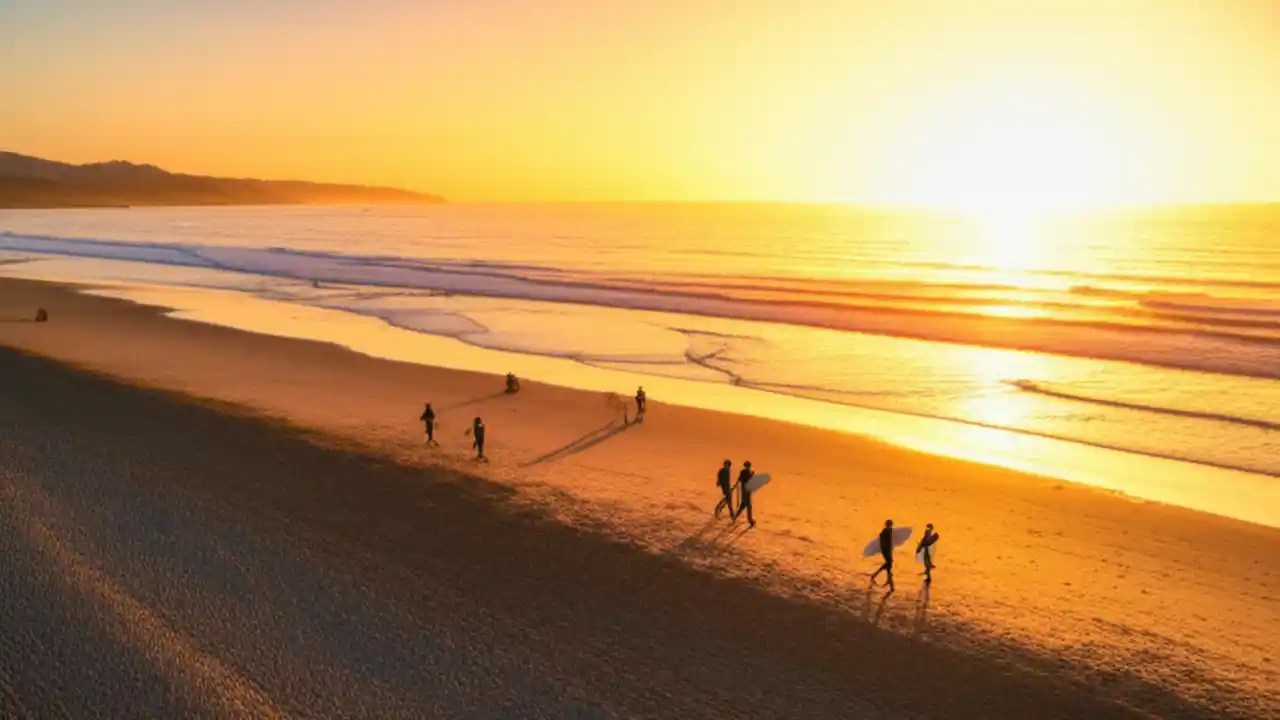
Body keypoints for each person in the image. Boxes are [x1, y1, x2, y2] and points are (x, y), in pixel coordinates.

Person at [870, 519, 896, 591]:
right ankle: (890, 584)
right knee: (888, 564)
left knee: (888, 565)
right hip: (885, 551)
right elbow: (883, 544)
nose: (890, 526)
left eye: (890, 525)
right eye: (889, 525)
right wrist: (887, 551)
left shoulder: (890, 531)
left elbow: (890, 542)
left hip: (889, 550)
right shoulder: (884, 533)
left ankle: (876, 576)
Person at [732, 461, 756, 528]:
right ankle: (750, 521)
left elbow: (739, 479)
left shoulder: (742, 472)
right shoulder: (748, 473)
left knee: (743, 505)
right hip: (747, 492)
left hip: (744, 491)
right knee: (748, 506)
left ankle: (735, 517)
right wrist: (753, 475)